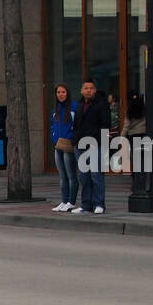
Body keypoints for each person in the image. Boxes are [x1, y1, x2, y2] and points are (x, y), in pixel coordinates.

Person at [70, 78, 110, 214]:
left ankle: (99, 204)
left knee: (96, 175)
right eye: (86, 88)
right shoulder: (80, 105)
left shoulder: (101, 104)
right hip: (80, 145)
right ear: (81, 91)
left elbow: (106, 125)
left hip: (95, 145)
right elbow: (75, 125)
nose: (88, 90)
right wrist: (75, 141)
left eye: (91, 88)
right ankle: (86, 204)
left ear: (95, 90)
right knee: (84, 176)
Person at [49, 84, 78, 212]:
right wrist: (54, 137)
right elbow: (53, 125)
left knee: (71, 175)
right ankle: (64, 200)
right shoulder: (55, 109)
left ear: (67, 93)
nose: (60, 94)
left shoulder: (73, 107)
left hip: (68, 144)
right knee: (62, 176)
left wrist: (70, 137)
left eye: (63, 92)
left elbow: (75, 124)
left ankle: (71, 201)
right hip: (58, 145)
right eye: (58, 92)